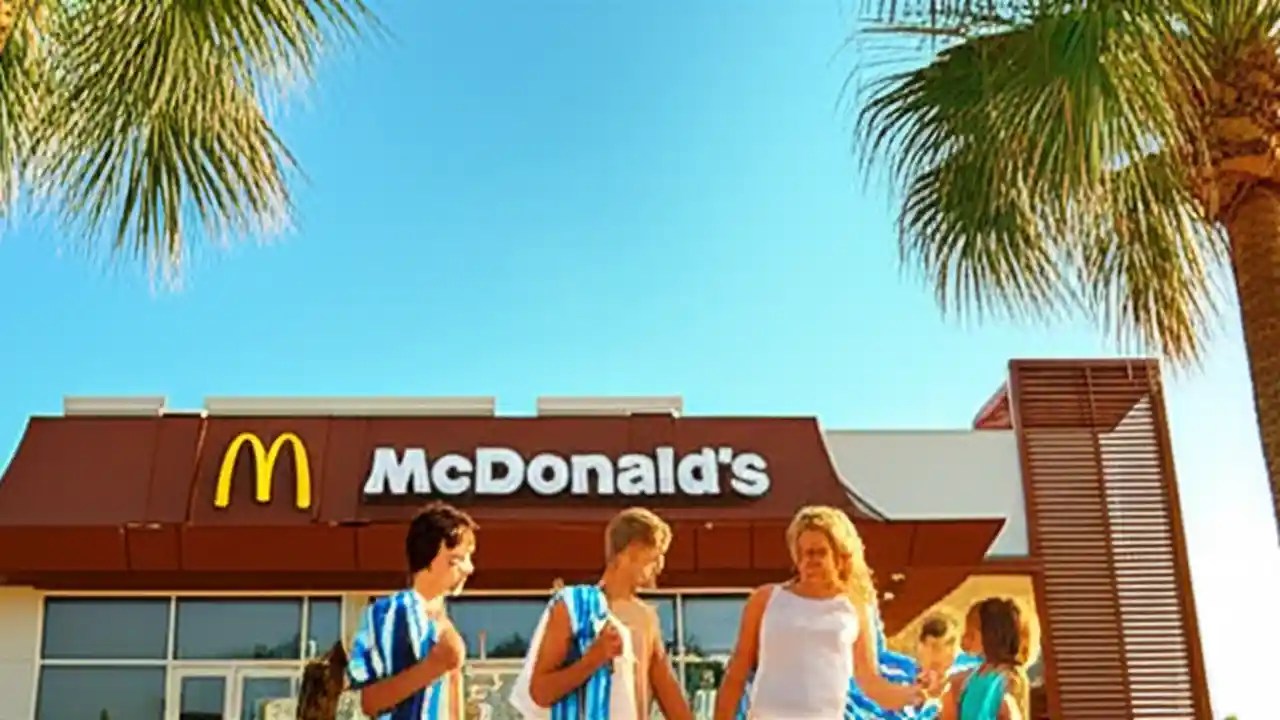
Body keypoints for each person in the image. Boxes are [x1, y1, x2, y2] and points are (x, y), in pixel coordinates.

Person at [715, 505, 924, 720]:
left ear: (840, 555)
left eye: (820, 552)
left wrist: (913, 694)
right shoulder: (765, 599)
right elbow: (737, 672)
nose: (811, 560)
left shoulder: (855, 607)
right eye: (804, 552)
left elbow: (870, 682)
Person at [517, 507, 694, 719]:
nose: (660, 567)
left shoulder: (645, 619)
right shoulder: (573, 607)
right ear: (631, 552)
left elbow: (670, 697)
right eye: (654, 558)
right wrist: (593, 659)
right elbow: (540, 692)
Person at [346, 501, 478, 719]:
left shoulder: (441, 619)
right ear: (431, 559)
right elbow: (371, 701)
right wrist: (434, 665)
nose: (469, 568)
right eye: (459, 559)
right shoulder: (397, 611)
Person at [938, 598, 1029, 720]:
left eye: (972, 634)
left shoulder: (1009, 678)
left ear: (991, 635)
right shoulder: (976, 674)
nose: (965, 640)